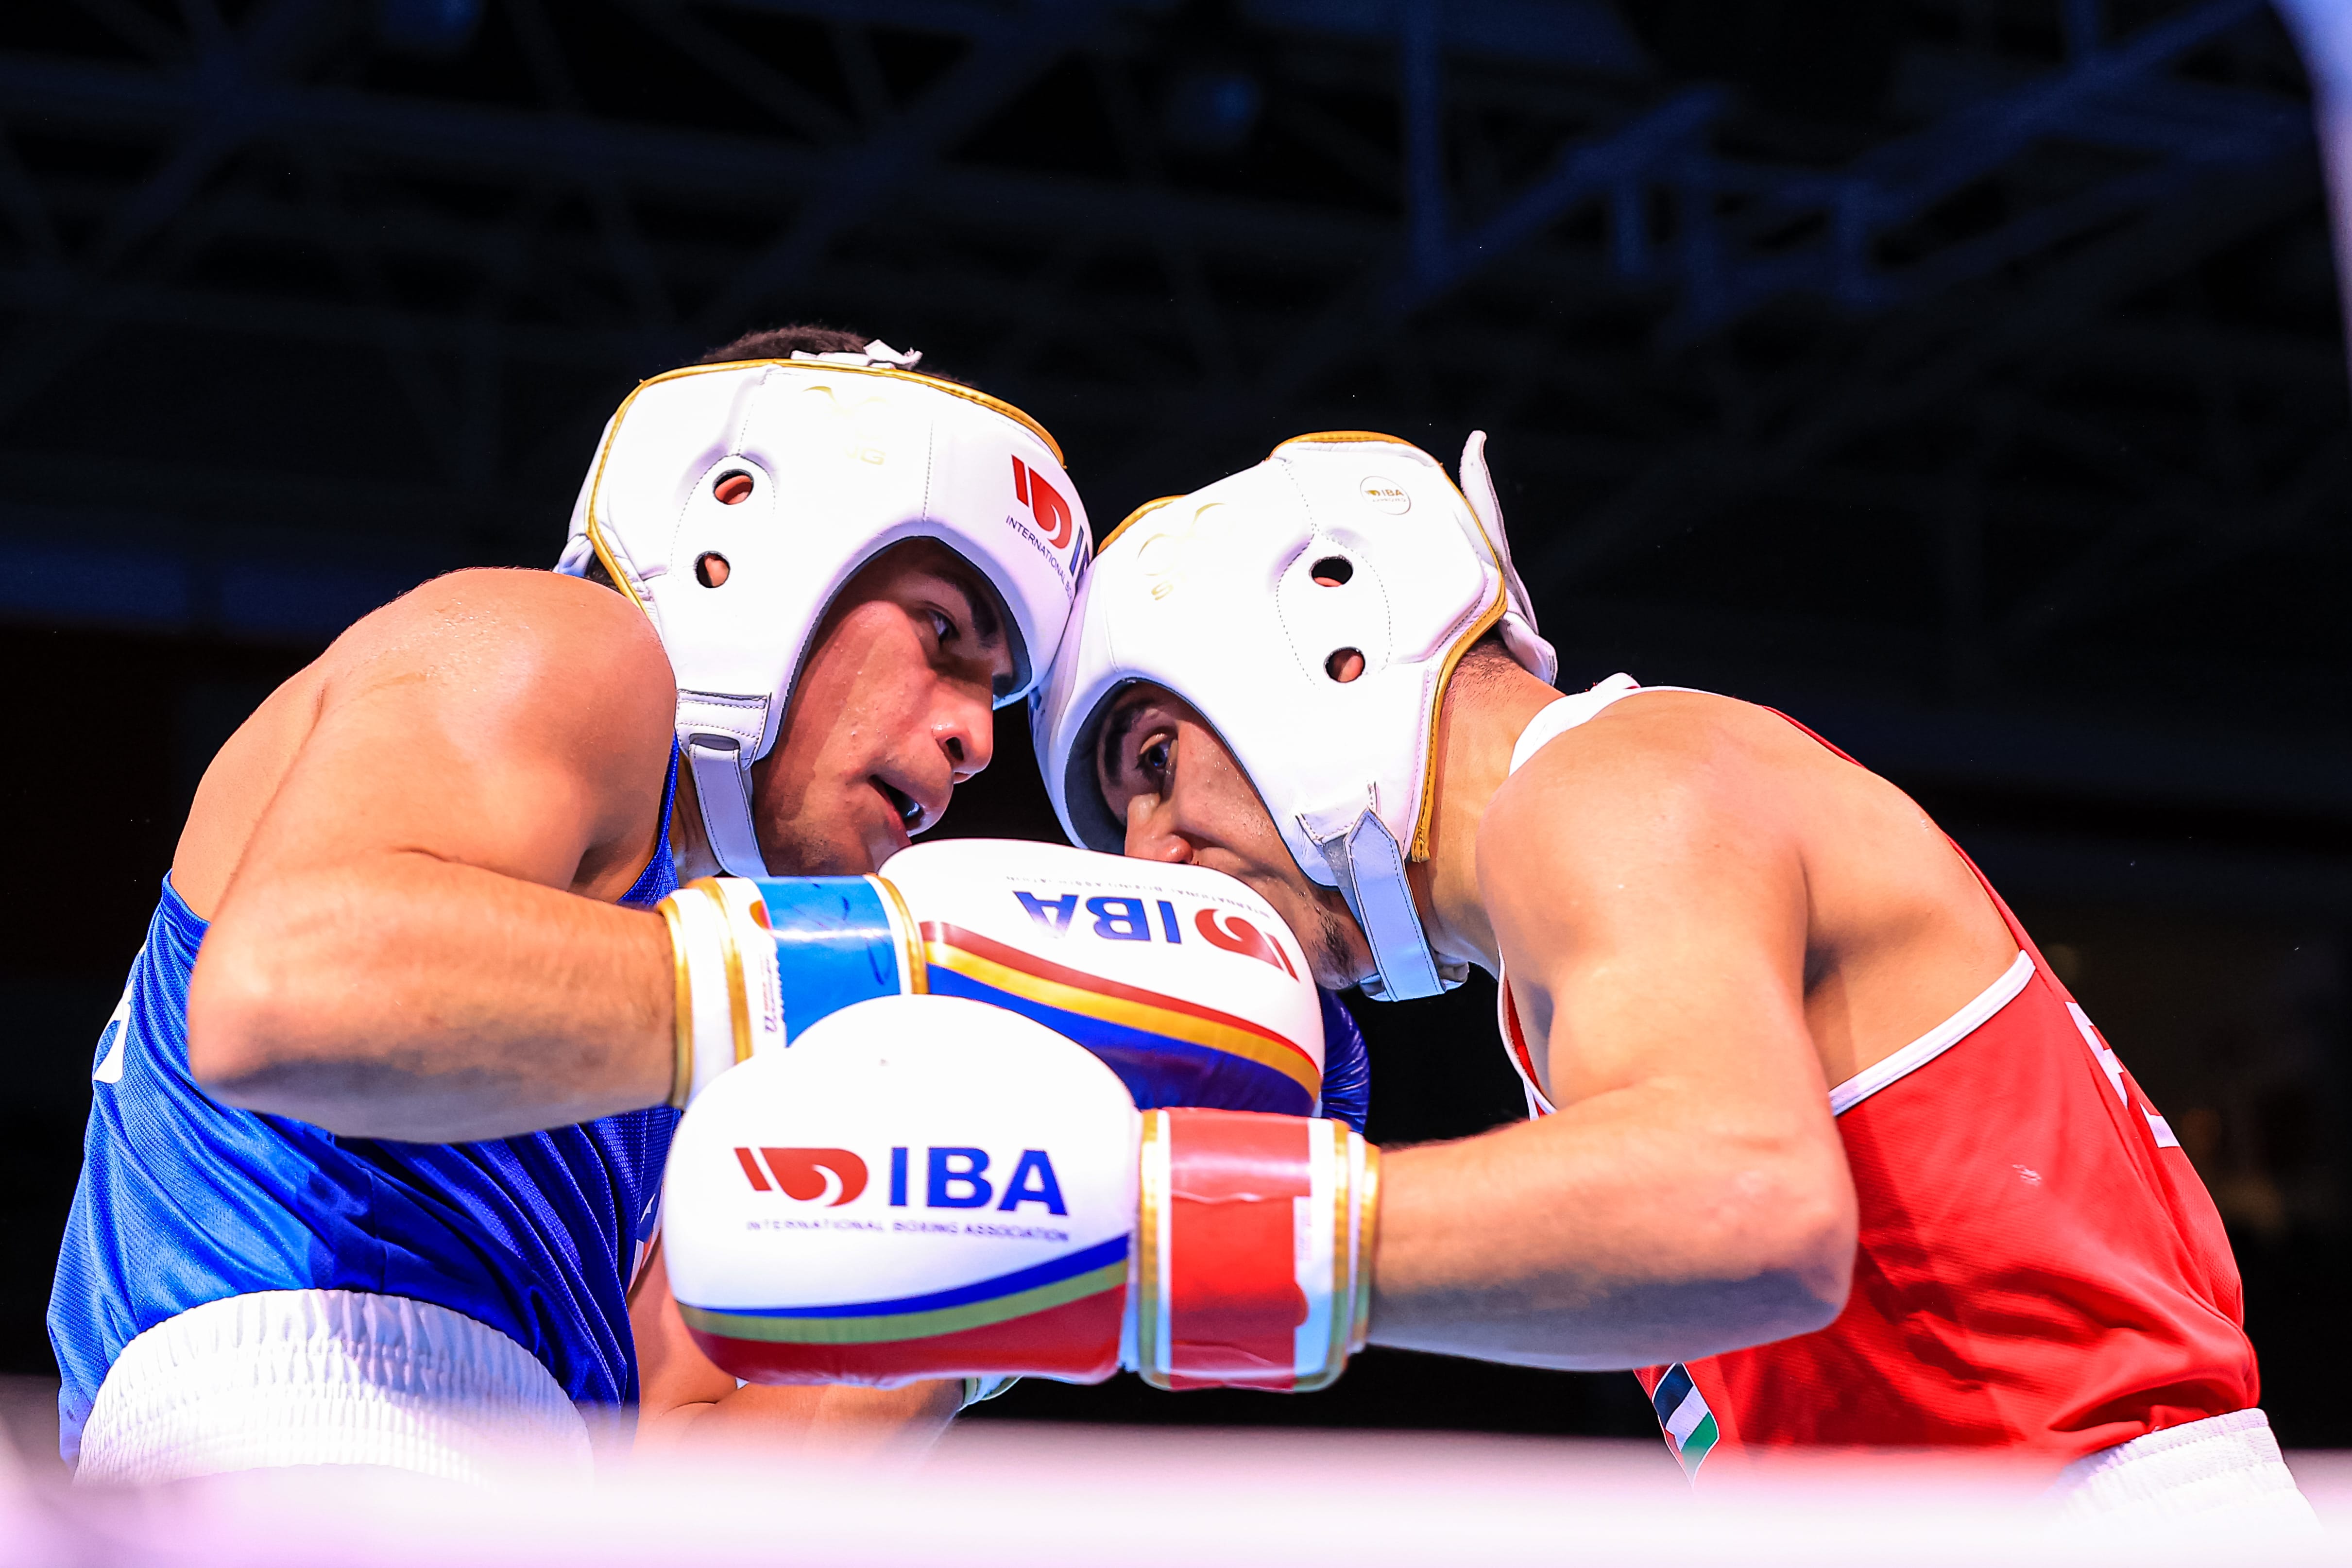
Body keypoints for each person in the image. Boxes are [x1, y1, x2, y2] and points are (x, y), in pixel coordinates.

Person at [679, 428, 2302, 1523]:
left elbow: (1749, 1208)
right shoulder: (1587, 948)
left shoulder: (1627, 782)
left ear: (1326, 621)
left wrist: (1147, 1231)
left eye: (1161, 759)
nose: (1155, 853)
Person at [46, 327, 1091, 1482]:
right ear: (749, 527)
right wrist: (894, 969)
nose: (975, 735)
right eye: (942, 632)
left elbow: (668, 1490)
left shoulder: (673, 1006)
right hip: (284, 1439)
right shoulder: (556, 642)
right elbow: (288, 990)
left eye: (997, 691)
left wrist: (1034, 1278)